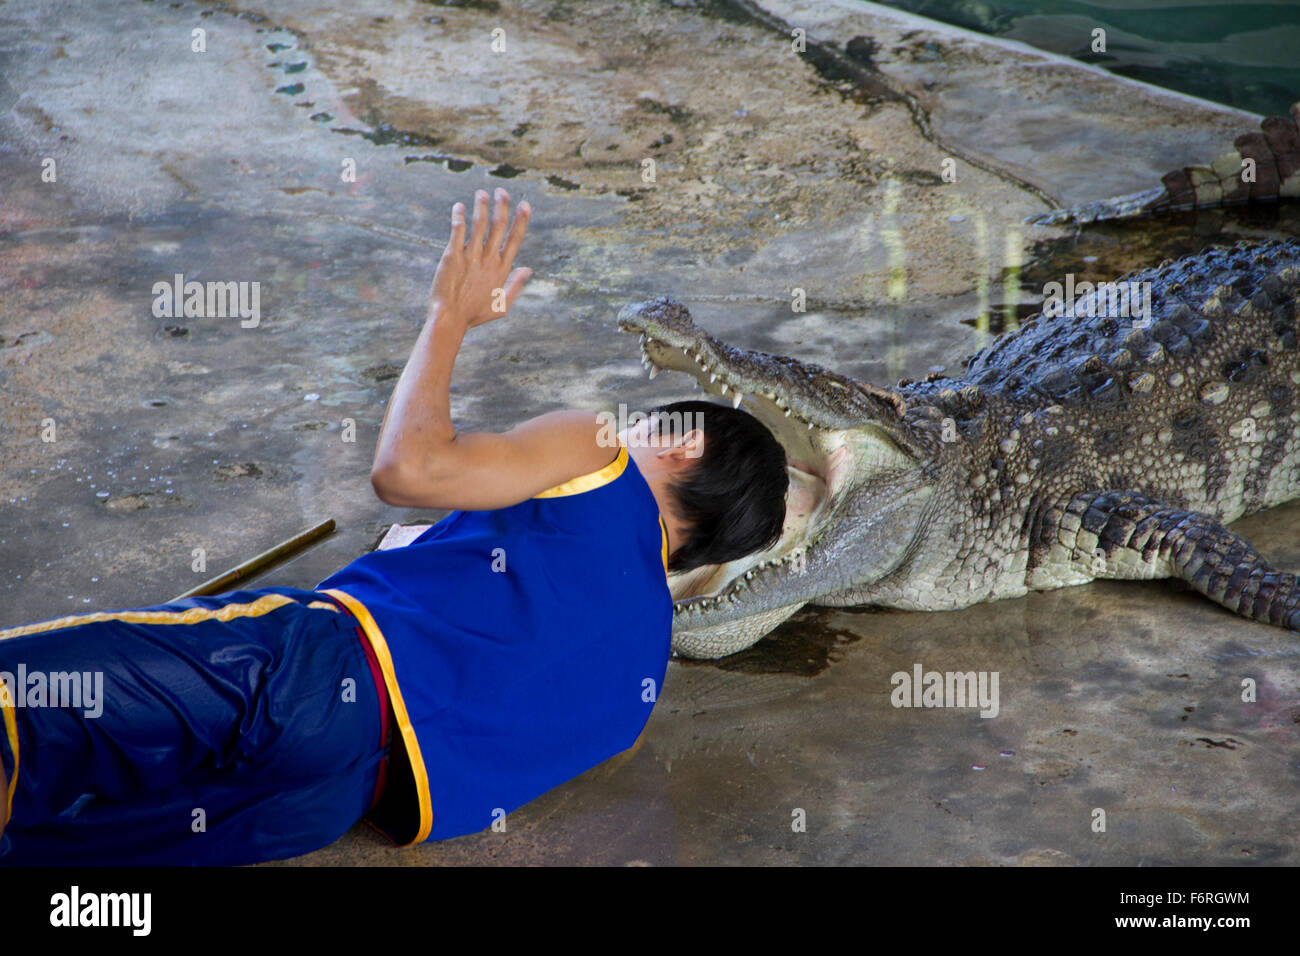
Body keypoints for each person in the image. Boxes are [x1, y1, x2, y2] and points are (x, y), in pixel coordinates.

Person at [0, 188, 789, 865]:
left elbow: (406, 471)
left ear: (683, 443)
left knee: (22, 701)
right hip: (333, 800)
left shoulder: (598, 449)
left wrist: (448, 317)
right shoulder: (636, 690)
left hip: (304, 672)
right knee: (59, 859)